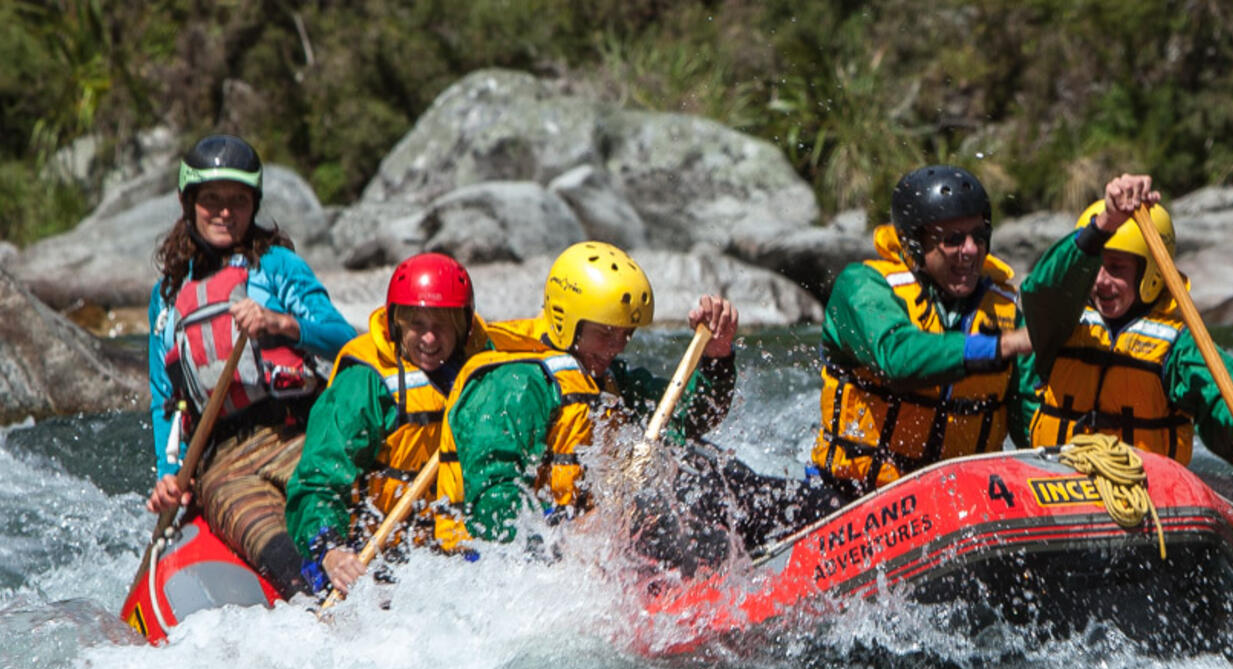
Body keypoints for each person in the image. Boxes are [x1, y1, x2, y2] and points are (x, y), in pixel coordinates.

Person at [143, 133, 357, 596]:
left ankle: (349, 571)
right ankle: (313, 598)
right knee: (279, 553)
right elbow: (167, 401)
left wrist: (282, 324)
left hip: (298, 433)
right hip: (224, 464)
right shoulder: (165, 299)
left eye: (237, 201)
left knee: (325, 518)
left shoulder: (278, 267)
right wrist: (169, 476)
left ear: (253, 205)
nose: (224, 211)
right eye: (211, 200)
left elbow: (348, 342)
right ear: (189, 204)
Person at [437, 240, 749, 548]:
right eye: (606, 333)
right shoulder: (512, 384)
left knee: (702, 468)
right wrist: (568, 533)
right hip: (499, 561)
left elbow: (690, 418)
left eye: (626, 333)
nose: (618, 346)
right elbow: (493, 509)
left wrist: (715, 357)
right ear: (566, 321)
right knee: (657, 511)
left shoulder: (607, 378)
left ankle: (785, 517)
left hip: (583, 547)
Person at [1017, 174, 1233, 489]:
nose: (1101, 281)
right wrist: (1103, 223)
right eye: (1097, 266)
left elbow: (1222, 399)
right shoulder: (1061, 320)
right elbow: (1039, 290)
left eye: (1117, 269)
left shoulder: (1179, 345)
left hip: (1140, 489)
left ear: (1151, 275)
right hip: (1055, 481)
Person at [806, 164, 1033, 498]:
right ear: (913, 246)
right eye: (953, 239)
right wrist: (994, 348)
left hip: (960, 502)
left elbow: (1029, 425)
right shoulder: (861, 287)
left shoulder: (1008, 314)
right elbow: (896, 358)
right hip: (851, 495)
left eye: (978, 237)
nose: (970, 250)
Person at [285, 252, 486, 597]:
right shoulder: (364, 383)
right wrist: (331, 552)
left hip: (446, 553)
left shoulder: (483, 371)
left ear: (462, 327)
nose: (429, 339)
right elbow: (318, 479)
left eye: (442, 325)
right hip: (368, 550)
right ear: (398, 323)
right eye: (417, 324)